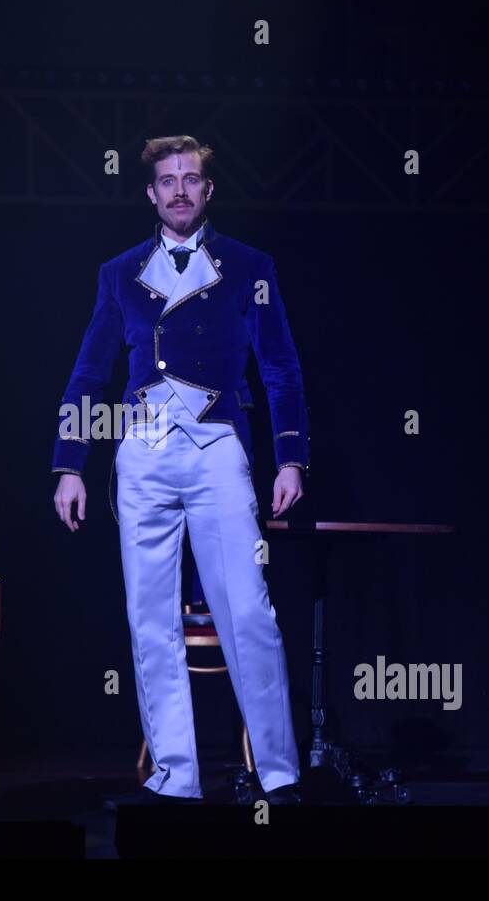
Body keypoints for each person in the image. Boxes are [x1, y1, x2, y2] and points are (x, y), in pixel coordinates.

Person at [52, 135, 309, 805]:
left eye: (191, 179)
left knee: (248, 610)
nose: (179, 191)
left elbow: (280, 367)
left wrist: (290, 455)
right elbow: (89, 372)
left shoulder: (250, 265)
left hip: (218, 446)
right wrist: (70, 464)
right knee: (150, 618)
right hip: (142, 452)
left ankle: (278, 773)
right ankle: (175, 776)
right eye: (167, 181)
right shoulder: (119, 273)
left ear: (209, 190)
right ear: (150, 192)